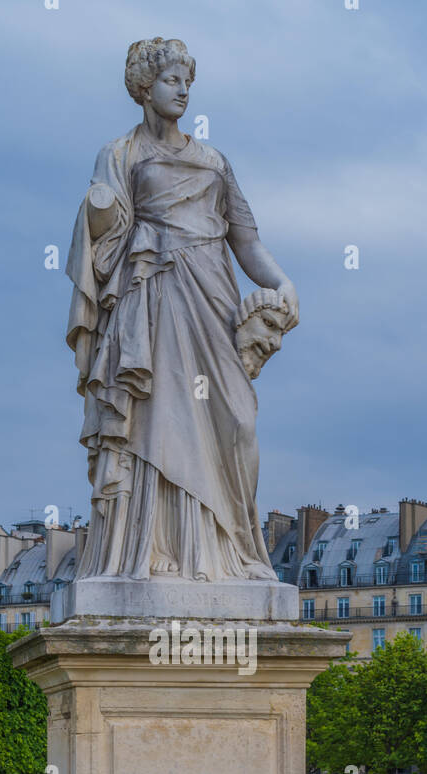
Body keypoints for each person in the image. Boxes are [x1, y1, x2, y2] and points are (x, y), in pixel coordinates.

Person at [66, 36, 299, 582]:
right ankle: (150, 552)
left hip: (213, 298)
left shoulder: (214, 161)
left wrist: (283, 282)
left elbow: (246, 243)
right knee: (154, 420)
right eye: (173, 80)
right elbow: (104, 228)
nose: (183, 91)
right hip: (151, 297)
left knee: (236, 421)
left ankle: (236, 550)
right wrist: (98, 214)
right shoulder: (120, 154)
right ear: (145, 87)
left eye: (188, 82)